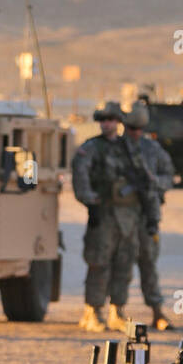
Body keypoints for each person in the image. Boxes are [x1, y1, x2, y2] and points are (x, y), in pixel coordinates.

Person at [72, 102, 160, 332]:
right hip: (105, 214)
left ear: (118, 122)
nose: (106, 124)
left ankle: (117, 310)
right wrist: (92, 202)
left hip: (129, 217)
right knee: (99, 262)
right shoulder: (91, 148)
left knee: (125, 263)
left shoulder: (130, 148)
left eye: (111, 119)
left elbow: (146, 180)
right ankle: (92, 311)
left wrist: (151, 213)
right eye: (102, 120)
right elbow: (80, 180)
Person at [125, 100, 175, 330]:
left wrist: (156, 185)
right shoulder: (117, 147)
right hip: (121, 216)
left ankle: (157, 311)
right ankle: (115, 310)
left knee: (149, 264)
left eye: (138, 129)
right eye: (130, 128)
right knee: (120, 264)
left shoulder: (153, 149)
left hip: (147, 215)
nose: (134, 133)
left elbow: (168, 174)